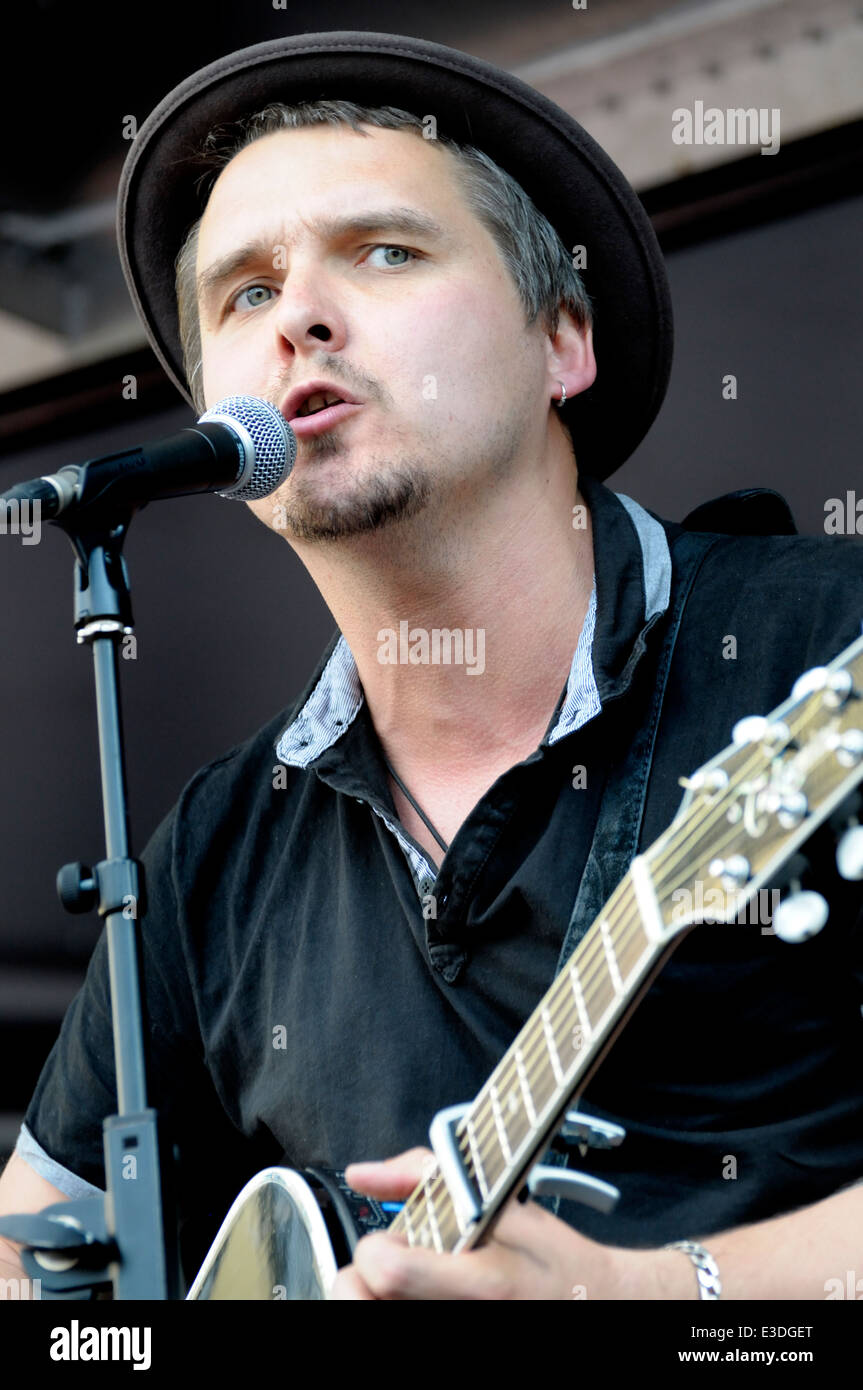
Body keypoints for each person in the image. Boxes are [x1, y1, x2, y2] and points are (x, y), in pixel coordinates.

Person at [2, 32, 862, 1302]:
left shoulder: (822, 648)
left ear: (562, 337)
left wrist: (654, 1291)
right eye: (244, 294)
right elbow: (31, 1261)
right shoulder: (216, 854)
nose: (296, 314)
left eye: (385, 252)